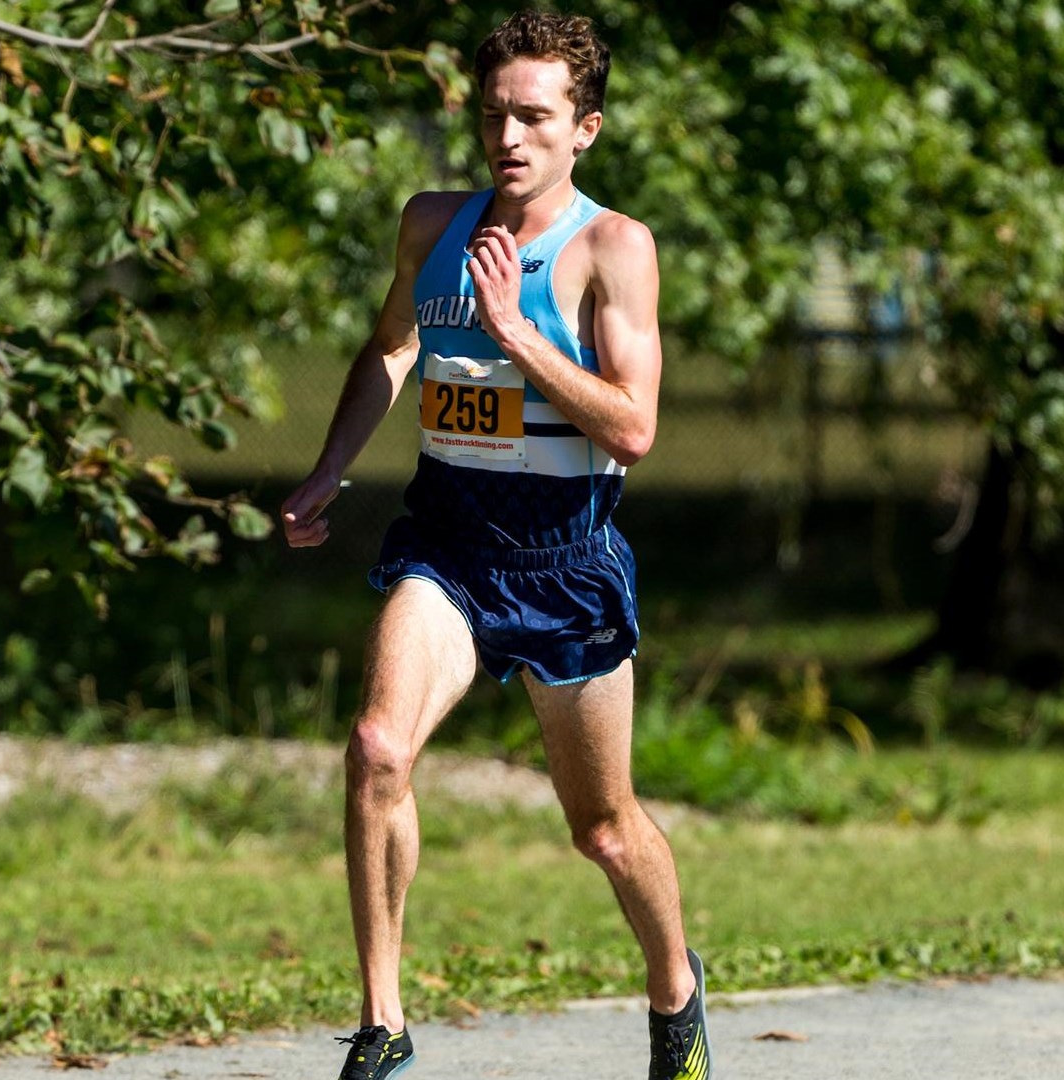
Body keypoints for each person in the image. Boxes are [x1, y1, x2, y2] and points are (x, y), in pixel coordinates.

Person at [280, 11, 712, 1080]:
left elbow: (635, 428)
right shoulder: (431, 225)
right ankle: (383, 1026)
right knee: (379, 747)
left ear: (586, 129)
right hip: (447, 538)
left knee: (603, 831)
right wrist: (331, 465)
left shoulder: (614, 249)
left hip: (563, 558)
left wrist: (517, 336)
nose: (508, 137)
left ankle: (676, 998)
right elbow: (391, 348)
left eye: (534, 116)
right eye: (492, 115)